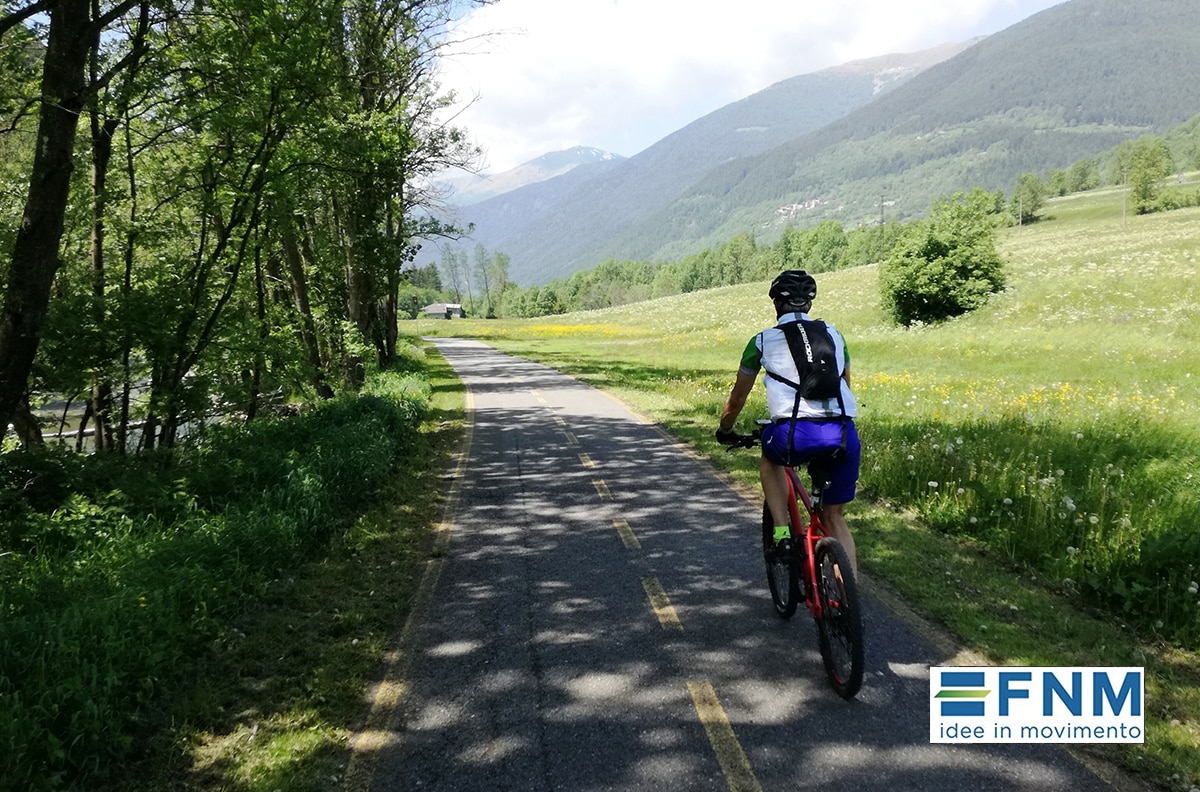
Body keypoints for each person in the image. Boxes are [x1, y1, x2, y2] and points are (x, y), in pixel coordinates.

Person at [715, 270, 861, 571]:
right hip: (844, 432)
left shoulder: (762, 341)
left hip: (795, 434)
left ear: (775, 304)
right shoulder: (835, 335)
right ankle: (849, 608)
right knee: (835, 517)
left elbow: (738, 398)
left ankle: (782, 534)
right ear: (808, 304)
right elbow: (845, 383)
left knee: (771, 460)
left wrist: (726, 429)